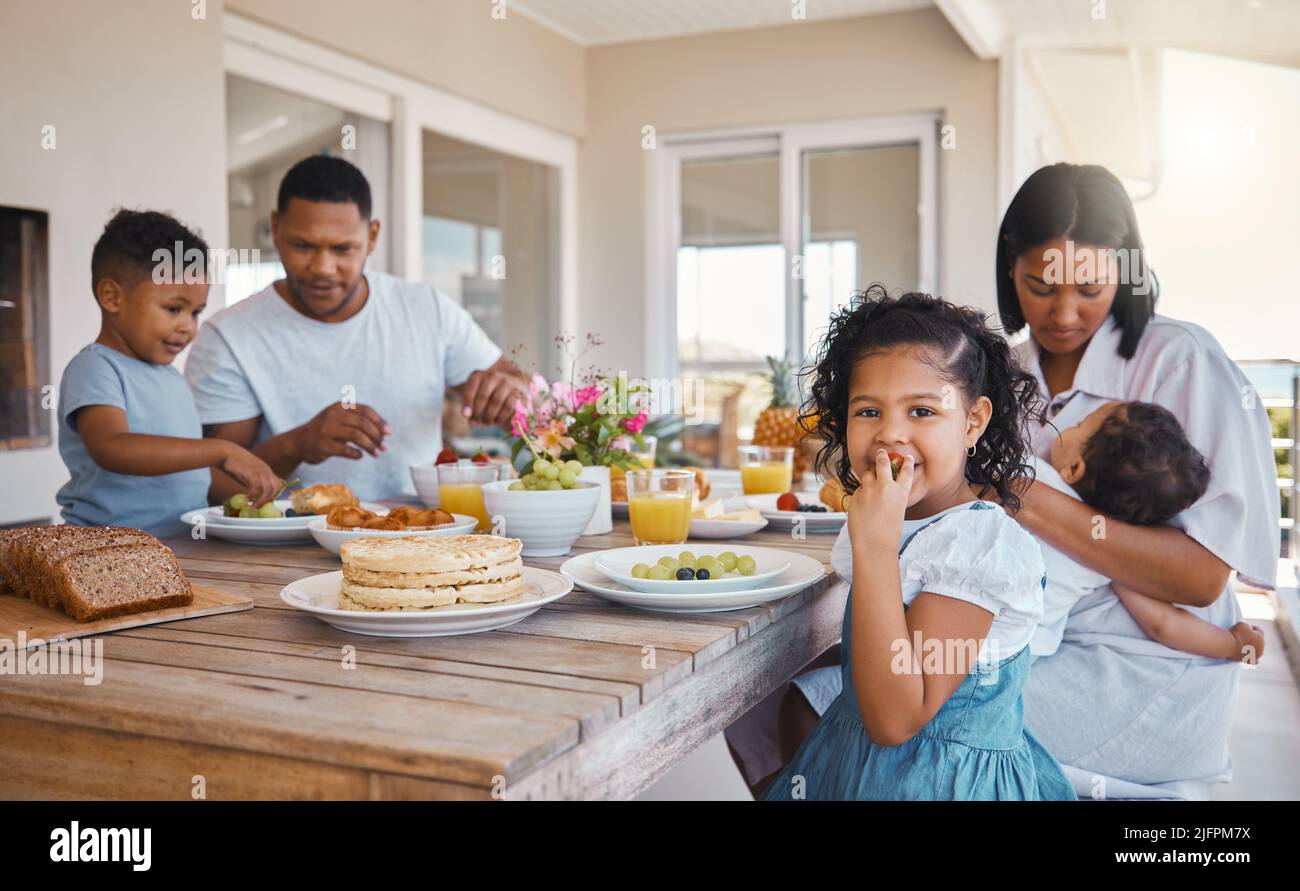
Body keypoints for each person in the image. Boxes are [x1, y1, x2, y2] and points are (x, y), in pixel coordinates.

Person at [745, 163, 1279, 801]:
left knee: (824, 703)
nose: (1063, 311)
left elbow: (1199, 580)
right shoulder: (1003, 370)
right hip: (1024, 632)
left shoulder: (1180, 359)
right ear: (1010, 269)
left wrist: (1019, 495)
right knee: (771, 687)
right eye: (1039, 285)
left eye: (1089, 286)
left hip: (1132, 666)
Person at [761, 288, 1074, 800]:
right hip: (855, 766)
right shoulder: (885, 519)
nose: (890, 435)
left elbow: (897, 719)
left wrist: (877, 549)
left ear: (972, 422)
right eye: (868, 412)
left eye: (922, 412)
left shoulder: (976, 544)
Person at [185, 155, 528, 501]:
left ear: (373, 236)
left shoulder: (426, 309)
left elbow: (518, 388)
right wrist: (298, 444)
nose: (323, 267)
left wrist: (509, 391)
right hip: (287, 549)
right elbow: (213, 487)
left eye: (342, 248)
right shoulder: (229, 337)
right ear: (276, 229)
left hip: (426, 534)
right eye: (303, 245)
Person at [56, 210, 282, 537]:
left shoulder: (173, 379)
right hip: (107, 550)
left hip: (179, 549)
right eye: (174, 309)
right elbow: (112, 448)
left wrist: (249, 498)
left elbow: (189, 473)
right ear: (112, 297)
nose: (188, 326)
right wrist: (224, 450)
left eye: (196, 312)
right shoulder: (95, 367)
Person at [1033, 400, 1265, 663]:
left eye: (1079, 425)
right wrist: (1235, 645)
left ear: (1074, 469)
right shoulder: (1108, 559)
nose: (1067, 427)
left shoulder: (1030, 475)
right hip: (1015, 654)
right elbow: (1164, 624)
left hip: (980, 630)